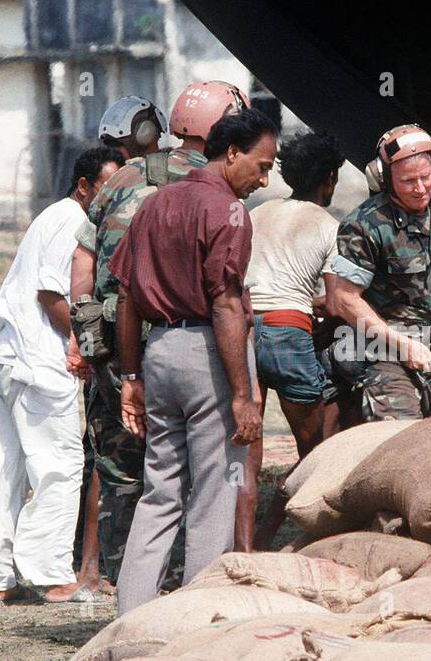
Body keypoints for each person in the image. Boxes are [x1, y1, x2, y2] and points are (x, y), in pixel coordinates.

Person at [69, 83, 249, 586]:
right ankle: (185, 590)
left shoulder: (124, 175)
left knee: (124, 470)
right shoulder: (218, 186)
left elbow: (82, 257)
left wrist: (84, 331)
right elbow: (227, 289)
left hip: (113, 343)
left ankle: (126, 589)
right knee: (200, 473)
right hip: (184, 341)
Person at [110, 108, 278, 614]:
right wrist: (244, 395)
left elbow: (126, 300)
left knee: (160, 492)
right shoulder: (227, 212)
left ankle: (131, 615)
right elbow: (226, 304)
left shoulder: (155, 204)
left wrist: (132, 376)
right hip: (209, 354)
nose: (264, 178)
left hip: (159, 351)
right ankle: (198, 621)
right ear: (231, 153)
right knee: (212, 496)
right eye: (262, 164)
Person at [0, 147, 123, 604]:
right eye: (106, 187)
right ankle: (51, 574)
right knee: (61, 466)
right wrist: (82, 346)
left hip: (13, 359)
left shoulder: (53, 216)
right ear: (83, 186)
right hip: (37, 363)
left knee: (13, 470)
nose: (111, 196)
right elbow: (52, 295)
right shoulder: (71, 221)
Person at [325, 124, 431, 420]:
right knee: (402, 435)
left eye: (425, 177)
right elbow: (344, 299)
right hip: (385, 351)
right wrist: (402, 345)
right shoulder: (364, 225)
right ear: (384, 178)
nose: (419, 188)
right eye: (407, 181)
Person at [236, 130, 345, 551]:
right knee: (312, 450)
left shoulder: (257, 212)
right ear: (330, 180)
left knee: (247, 452)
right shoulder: (328, 226)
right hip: (289, 331)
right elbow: (336, 305)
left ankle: (245, 547)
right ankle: (292, 538)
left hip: (243, 333)